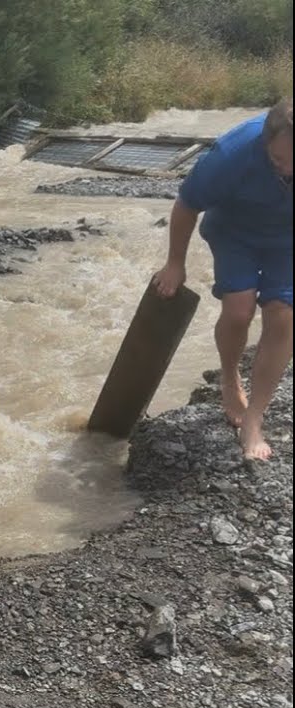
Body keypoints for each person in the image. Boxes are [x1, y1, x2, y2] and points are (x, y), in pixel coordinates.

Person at [153, 98, 293, 461]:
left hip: (288, 237)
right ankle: (230, 379)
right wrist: (175, 263)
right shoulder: (232, 153)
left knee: (282, 314)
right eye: (279, 161)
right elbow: (187, 204)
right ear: (265, 141)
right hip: (234, 231)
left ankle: (254, 421)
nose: (288, 171)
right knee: (239, 309)